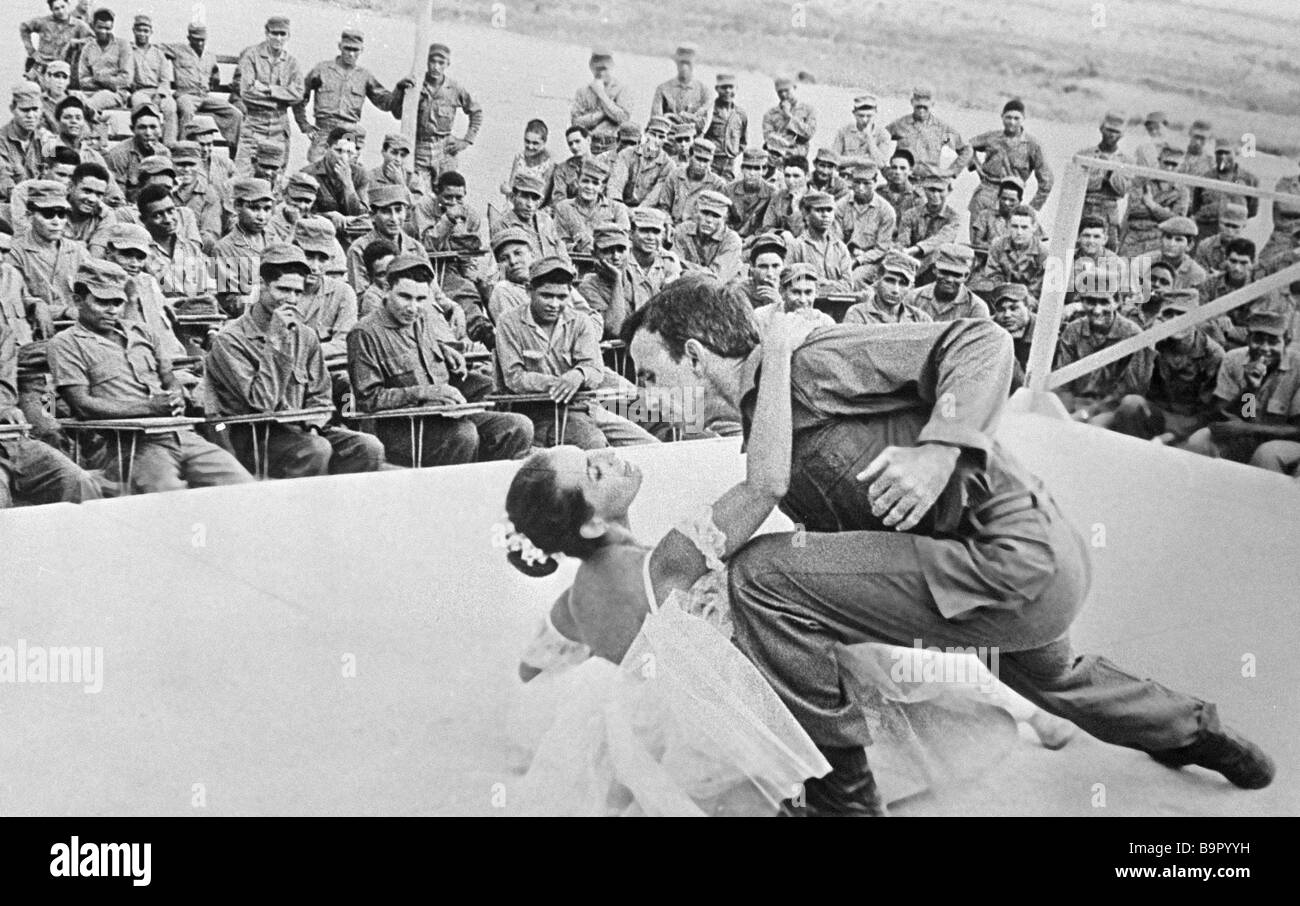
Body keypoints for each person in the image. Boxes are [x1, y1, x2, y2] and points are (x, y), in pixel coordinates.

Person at [623, 277, 1275, 815]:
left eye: (651, 375)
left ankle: (841, 801)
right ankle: (1200, 734)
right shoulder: (768, 407)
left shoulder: (814, 361)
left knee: (765, 574)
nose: (646, 396)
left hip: (1014, 561)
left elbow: (984, 339)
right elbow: (792, 502)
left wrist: (941, 447)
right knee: (1058, 681)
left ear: (695, 354)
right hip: (991, 581)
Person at [49, 258, 252, 493]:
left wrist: (175, 396)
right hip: (128, 446)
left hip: (179, 435)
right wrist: (150, 407)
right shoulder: (65, 343)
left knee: (241, 486)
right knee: (169, 496)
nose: (112, 310)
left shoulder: (142, 332)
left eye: (117, 302)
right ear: (78, 301)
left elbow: (169, 378)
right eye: (102, 302)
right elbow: (82, 405)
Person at [205, 243, 385, 477]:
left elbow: (321, 395)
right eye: (283, 290)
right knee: (316, 449)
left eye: (298, 293)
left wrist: (313, 425)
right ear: (262, 287)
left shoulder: (305, 335)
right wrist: (277, 340)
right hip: (256, 436)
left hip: (303, 431)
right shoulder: (230, 340)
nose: (290, 299)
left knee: (368, 447)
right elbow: (261, 403)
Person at [347, 252, 531, 466]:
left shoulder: (422, 318)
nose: (413, 307)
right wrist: (424, 392)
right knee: (464, 434)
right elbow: (368, 400)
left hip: (442, 418)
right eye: (405, 297)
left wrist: (445, 351)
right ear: (387, 290)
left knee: (517, 426)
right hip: (401, 429)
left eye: (421, 299)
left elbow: (421, 353)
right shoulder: (364, 333)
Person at [495, 257, 654, 449]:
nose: (554, 304)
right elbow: (514, 378)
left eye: (561, 297)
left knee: (648, 445)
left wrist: (578, 375)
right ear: (529, 291)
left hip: (585, 406)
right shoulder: (509, 323)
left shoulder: (580, 321)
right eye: (546, 296)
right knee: (595, 445)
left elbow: (595, 369)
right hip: (538, 412)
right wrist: (558, 382)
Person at [1, 313, 101, 507]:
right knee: (47, 428)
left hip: (47, 389)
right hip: (28, 387)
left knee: (79, 479)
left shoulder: (3, 332)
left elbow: (4, 387)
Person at [1182, 310, 1300, 475]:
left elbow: (1296, 430)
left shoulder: (1297, 368)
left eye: (1273, 342)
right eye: (1258, 340)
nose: (1264, 348)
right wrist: (1250, 389)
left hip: (1288, 441)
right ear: (1248, 338)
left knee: (1267, 454)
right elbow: (1229, 413)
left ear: (1285, 342)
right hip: (1250, 432)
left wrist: (1246, 429)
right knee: (1200, 440)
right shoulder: (1234, 359)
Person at [1105, 291, 1224, 445]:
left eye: (1182, 314)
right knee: (1130, 403)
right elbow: (1133, 389)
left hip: (1189, 426)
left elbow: (1210, 413)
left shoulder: (1212, 354)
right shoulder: (1157, 342)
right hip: (1155, 414)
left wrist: (1171, 435)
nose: (1175, 321)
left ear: (1196, 317)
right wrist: (1149, 344)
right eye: (1169, 314)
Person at [296, 29, 405, 164]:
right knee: (317, 172)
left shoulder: (364, 76)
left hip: (349, 133)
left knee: (346, 173)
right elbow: (300, 96)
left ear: (362, 50)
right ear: (340, 46)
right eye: (347, 48)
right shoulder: (322, 70)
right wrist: (304, 124)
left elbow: (385, 103)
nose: (351, 54)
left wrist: (399, 89)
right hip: (324, 132)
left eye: (355, 50)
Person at [1054, 284, 1154, 422]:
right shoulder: (1073, 330)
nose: (1097, 310)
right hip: (1075, 402)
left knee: (1095, 426)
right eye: (1090, 302)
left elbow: (1131, 389)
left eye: (1104, 302)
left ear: (1116, 303)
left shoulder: (1133, 335)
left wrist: (1087, 413)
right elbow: (1062, 381)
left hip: (1112, 407)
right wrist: (1065, 413)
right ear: (1082, 302)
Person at [231, 16, 304, 175]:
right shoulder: (251, 56)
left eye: (283, 34)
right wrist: (282, 97)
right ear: (266, 33)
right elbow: (247, 92)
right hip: (255, 123)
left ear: (288, 36)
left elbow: (298, 94)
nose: (278, 38)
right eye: (274, 33)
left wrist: (267, 89)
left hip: (279, 125)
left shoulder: (292, 63)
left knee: (275, 175)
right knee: (243, 174)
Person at [8, 179, 88, 322]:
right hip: (34, 329)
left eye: (62, 214)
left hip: (76, 329)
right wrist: (62, 311)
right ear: (29, 215)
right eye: (48, 214)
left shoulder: (78, 252)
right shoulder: (14, 252)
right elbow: (15, 300)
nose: (56, 221)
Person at [967, 99, 1052, 218]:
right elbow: (966, 146)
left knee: (1004, 234)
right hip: (986, 192)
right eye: (1008, 117)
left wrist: (1033, 207)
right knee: (977, 233)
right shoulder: (992, 137)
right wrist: (975, 166)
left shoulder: (1033, 145)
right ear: (1002, 117)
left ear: (1023, 119)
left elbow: (1046, 180)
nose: (1012, 122)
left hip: (1010, 198)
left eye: (1016, 118)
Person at [166, 22, 243, 153]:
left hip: (204, 97)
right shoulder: (178, 50)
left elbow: (215, 74)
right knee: (186, 109)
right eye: (196, 40)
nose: (200, 43)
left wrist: (214, 80)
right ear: (189, 38)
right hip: (186, 95)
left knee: (235, 114)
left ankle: (234, 151)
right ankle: (183, 150)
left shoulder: (209, 56)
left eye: (202, 40)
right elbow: (155, 49)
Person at [345, 183, 426, 297]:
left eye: (398, 210)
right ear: (372, 215)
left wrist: (454, 308)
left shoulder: (416, 248)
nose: (394, 218)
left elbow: (434, 292)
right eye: (386, 211)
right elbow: (361, 296)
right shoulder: (359, 249)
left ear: (405, 213)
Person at [1118, 143, 1190, 257]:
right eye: (1166, 163)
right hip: (1134, 237)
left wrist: (1152, 205)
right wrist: (1165, 211)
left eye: (1174, 164)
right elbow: (1135, 210)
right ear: (1159, 160)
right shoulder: (1143, 182)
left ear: (1180, 166)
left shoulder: (1182, 191)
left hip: (1160, 241)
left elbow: (1177, 221)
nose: (1169, 168)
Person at [887, 86, 971, 178]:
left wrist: (951, 171)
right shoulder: (900, 124)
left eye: (925, 107)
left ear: (932, 104)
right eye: (918, 106)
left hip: (930, 182)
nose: (921, 110)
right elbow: (879, 138)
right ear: (912, 102)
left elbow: (966, 150)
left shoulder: (942, 129)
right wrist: (884, 168)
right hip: (904, 181)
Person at [1077, 111, 1132, 250]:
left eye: (1116, 131)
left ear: (1122, 134)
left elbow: (1123, 189)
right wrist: (1101, 176)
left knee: (1109, 251)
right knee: (1076, 247)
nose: (1112, 135)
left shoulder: (1126, 161)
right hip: (1084, 206)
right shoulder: (1084, 155)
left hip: (1109, 211)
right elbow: (1079, 184)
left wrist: (1110, 171)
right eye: (1109, 130)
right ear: (1101, 128)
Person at [553, 158, 629, 255]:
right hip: (576, 262)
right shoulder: (563, 208)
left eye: (595, 183)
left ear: (602, 187)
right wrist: (576, 247)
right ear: (577, 182)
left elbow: (625, 242)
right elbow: (559, 244)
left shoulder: (617, 209)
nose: (589, 187)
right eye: (585, 181)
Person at [896, 169, 963, 280]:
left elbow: (941, 239)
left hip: (938, 267)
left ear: (949, 191)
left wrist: (915, 249)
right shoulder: (911, 214)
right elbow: (903, 241)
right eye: (931, 190)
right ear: (924, 190)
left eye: (940, 190)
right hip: (910, 260)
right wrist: (902, 250)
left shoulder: (953, 218)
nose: (935, 195)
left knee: (936, 254)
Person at [1191, 138, 1259, 243]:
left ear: (1236, 153)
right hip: (1206, 231)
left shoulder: (1249, 179)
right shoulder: (1205, 178)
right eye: (1219, 153)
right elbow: (1196, 207)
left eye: (1227, 153)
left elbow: (1252, 211)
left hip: (1233, 232)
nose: (1223, 157)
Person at [124, 15, 178, 145]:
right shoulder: (128, 51)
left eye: (146, 31)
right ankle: (144, 143)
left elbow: (165, 79)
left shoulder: (158, 53)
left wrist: (160, 95)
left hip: (158, 91)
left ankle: (169, 145)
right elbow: (126, 75)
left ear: (151, 32)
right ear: (134, 31)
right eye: (139, 30)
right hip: (140, 91)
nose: (142, 34)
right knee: (142, 105)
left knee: (170, 106)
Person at [785, 191, 853, 292]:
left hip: (838, 304)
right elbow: (788, 280)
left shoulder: (840, 247)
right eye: (819, 210)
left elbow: (848, 285)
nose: (825, 215)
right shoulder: (796, 246)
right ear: (806, 214)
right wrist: (817, 284)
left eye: (829, 210)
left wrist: (826, 283)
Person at [978, 204, 1049, 299]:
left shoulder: (1043, 252)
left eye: (1024, 227)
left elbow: (1037, 288)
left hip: (1029, 300)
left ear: (1034, 227)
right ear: (1007, 226)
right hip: (1001, 295)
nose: (1019, 232)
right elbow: (993, 274)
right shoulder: (998, 245)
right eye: (1015, 226)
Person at [650, 137, 727, 225]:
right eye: (698, 159)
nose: (701, 165)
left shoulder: (717, 184)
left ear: (711, 162)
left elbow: (718, 218)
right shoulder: (675, 175)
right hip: (671, 225)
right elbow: (663, 205)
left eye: (706, 161)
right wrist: (667, 220)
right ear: (690, 156)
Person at [299, 126, 370, 220]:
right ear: (327, 148)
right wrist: (329, 217)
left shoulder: (360, 174)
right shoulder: (308, 174)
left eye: (349, 152)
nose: (343, 157)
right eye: (338, 151)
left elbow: (361, 215)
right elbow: (301, 213)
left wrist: (348, 184)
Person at [843, 250, 931, 325]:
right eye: (889, 280)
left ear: (911, 288)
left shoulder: (920, 319)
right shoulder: (858, 314)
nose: (895, 290)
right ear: (877, 279)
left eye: (903, 283)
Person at [672, 190, 742, 283]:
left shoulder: (731, 240)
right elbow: (673, 264)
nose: (708, 220)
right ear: (696, 212)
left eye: (716, 216)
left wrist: (684, 270)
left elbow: (716, 278)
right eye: (704, 213)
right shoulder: (683, 230)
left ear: (725, 219)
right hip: (685, 285)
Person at [102, 101, 165, 204]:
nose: (148, 133)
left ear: (161, 129)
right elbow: (117, 196)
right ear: (132, 129)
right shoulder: (118, 154)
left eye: (153, 127)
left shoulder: (164, 153)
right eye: (142, 127)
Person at [570, 48, 629, 158]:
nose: (600, 73)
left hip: (613, 144)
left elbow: (623, 118)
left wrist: (601, 94)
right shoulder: (583, 91)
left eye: (604, 68)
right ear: (591, 67)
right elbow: (576, 122)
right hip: (589, 145)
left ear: (611, 66)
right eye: (597, 69)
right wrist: (603, 113)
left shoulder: (621, 89)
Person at [907, 243, 989, 321]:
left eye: (956, 275)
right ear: (934, 270)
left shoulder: (976, 308)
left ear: (966, 276)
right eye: (944, 272)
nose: (949, 279)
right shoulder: (913, 298)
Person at [833, 160, 896, 261]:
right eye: (857, 182)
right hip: (842, 257)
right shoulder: (841, 206)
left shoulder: (886, 211)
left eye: (867, 183)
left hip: (871, 261)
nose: (861, 188)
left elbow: (881, 249)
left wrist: (859, 260)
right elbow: (836, 240)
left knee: (856, 277)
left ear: (875, 183)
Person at [74, 7, 131, 119]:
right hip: (90, 92)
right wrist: (107, 81)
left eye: (108, 28)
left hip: (116, 95)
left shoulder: (123, 46)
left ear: (112, 27)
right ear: (93, 26)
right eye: (100, 27)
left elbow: (126, 79)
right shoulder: (88, 48)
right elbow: (83, 79)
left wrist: (99, 78)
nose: (104, 32)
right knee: (74, 99)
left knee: (89, 104)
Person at [578, 224, 632, 339]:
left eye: (621, 250)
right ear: (594, 255)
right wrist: (617, 280)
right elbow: (615, 330)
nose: (616, 257)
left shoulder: (636, 278)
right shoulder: (588, 287)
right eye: (607, 251)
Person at [751, 262, 835, 336]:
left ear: (816, 293)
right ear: (782, 292)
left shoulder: (825, 323)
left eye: (808, 292)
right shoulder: (762, 317)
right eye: (796, 292)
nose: (803, 300)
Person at [606, 116, 673, 209]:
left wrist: (638, 212)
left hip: (647, 210)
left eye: (661, 137)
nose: (656, 140)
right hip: (622, 206)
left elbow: (654, 197)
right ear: (645, 133)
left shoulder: (668, 165)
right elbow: (615, 185)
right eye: (653, 134)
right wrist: (619, 207)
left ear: (666, 140)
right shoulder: (627, 154)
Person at [625, 208, 682, 314]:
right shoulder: (622, 259)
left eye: (656, 232)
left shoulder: (669, 262)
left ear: (663, 235)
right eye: (644, 230)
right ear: (631, 234)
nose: (650, 237)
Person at [1, 82, 49, 202]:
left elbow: (53, 174)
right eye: (24, 110)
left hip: (44, 207)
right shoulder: (1, 141)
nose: (30, 115)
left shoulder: (48, 141)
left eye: (35, 109)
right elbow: (5, 184)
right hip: (10, 206)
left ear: (41, 110)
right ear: (12, 109)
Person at [20, 0, 93, 77]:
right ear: (51, 9)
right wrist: (31, 51)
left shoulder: (78, 25)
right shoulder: (44, 22)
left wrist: (77, 42)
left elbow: (92, 40)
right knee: (29, 86)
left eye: (63, 7)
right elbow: (24, 27)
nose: (61, 11)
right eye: (56, 9)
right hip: (42, 66)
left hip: (62, 69)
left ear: (68, 5)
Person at [649, 44, 710, 131]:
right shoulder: (663, 89)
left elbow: (702, 124)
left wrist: (677, 117)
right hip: (668, 137)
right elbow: (657, 121)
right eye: (682, 62)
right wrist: (687, 119)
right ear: (676, 62)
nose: (684, 67)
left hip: (692, 139)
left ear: (695, 64)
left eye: (688, 63)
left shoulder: (703, 91)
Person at [500, 118, 556, 205]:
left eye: (535, 143)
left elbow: (543, 196)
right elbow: (512, 184)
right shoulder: (520, 157)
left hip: (535, 205)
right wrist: (506, 189)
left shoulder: (549, 162)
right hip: (517, 203)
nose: (530, 146)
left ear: (544, 142)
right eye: (527, 141)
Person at [702, 73, 747, 179]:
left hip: (730, 164)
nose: (727, 91)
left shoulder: (741, 114)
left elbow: (743, 141)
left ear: (736, 89)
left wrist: (732, 152)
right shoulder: (709, 111)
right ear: (717, 89)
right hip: (711, 162)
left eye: (731, 87)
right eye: (724, 87)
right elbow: (700, 136)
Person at [724, 148, 773, 239]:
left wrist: (753, 238)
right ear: (742, 169)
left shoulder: (772, 193)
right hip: (730, 238)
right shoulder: (729, 190)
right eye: (748, 167)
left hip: (758, 240)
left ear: (765, 170)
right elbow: (723, 220)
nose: (752, 173)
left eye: (757, 168)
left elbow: (771, 225)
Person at [830, 94, 890, 167]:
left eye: (869, 116)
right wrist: (858, 161)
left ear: (876, 113)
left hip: (870, 177)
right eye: (861, 116)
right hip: (846, 175)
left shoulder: (883, 134)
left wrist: (869, 137)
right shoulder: (843, 131)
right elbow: (834, 159)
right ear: (854, 114)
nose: (865, 120)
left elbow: (881, 164)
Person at [988, 281, 1037, 373]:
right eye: (1001, 310)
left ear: (1028, 307)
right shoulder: (989, 328)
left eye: (1014, 308)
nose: (1007, 315)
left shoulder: (1042, 329)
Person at [1195, 202, 1249, 274]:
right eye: (1227, 225)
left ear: (1243, 226)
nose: (1230, 230)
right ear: (1219, 223)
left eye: (1235, 226)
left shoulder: (1248, 249)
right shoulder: (1205, 246)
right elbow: (1199, 274)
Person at [879, 147, 924, 224]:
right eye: (894, 167)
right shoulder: (879, 193)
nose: (897, 172)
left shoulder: (917, 198)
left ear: (910, 171)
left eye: (902, 168)